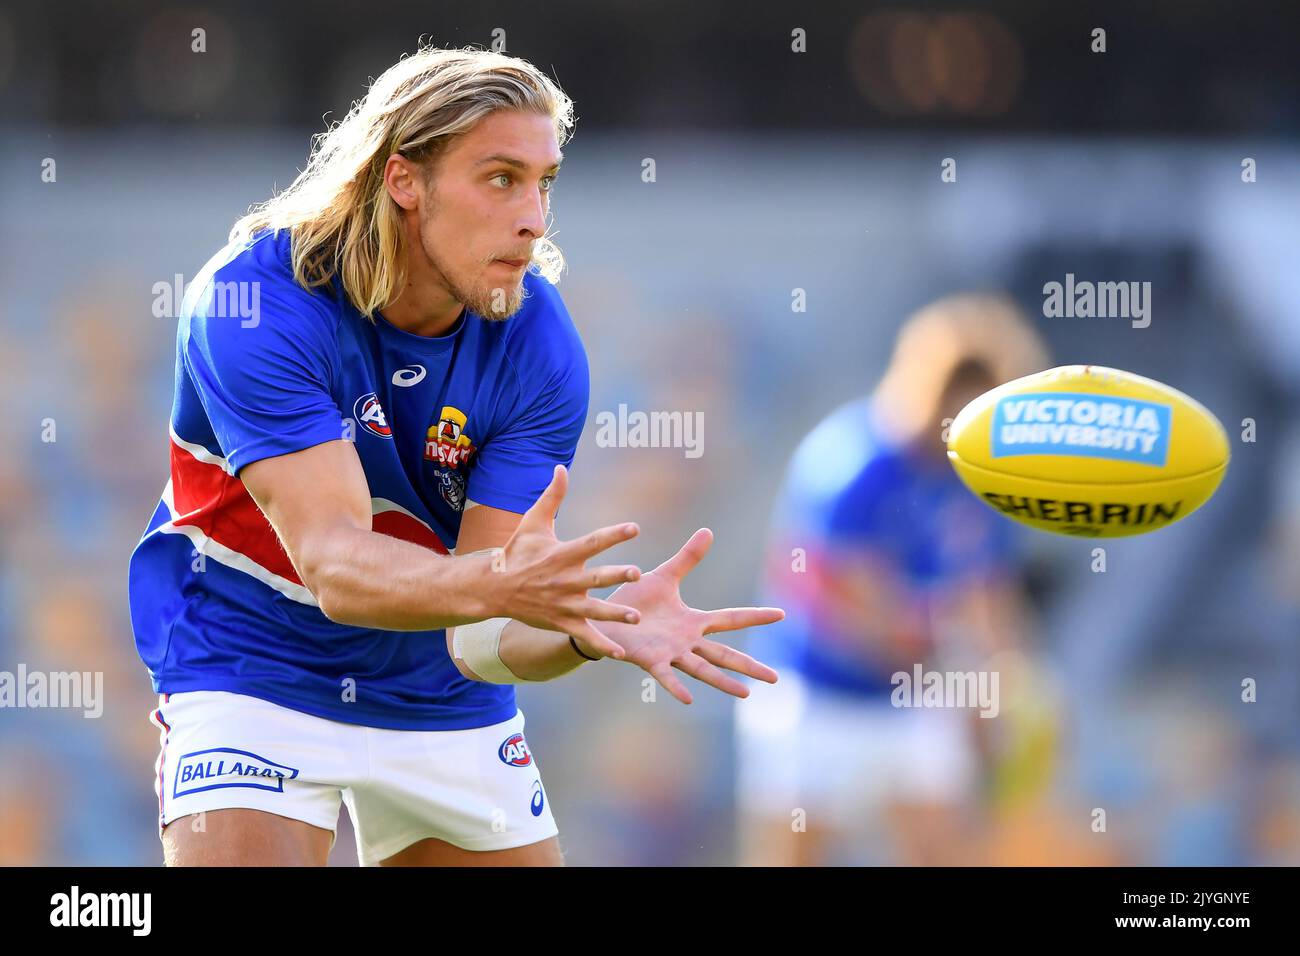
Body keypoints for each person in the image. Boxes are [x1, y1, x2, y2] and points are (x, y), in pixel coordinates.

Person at [128, 45, 782, 867]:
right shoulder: (256, 302)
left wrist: (585, 629)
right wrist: (502, 588)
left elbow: (479, 636)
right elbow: (336, 568)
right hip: (250, 670)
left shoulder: (540, 347)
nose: (535, 218)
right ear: (405, 180)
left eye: (545, 182)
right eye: (502, 178)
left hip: (437, 697)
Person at [735, 293, 1047, 865]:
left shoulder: (982, 478)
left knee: (943, 848)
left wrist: (1014, 686)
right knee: (793, 853)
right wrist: (960, 675)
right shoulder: (853, 465)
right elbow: (855, 612)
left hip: (909, 703)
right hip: (815, 695)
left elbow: (989, 596)